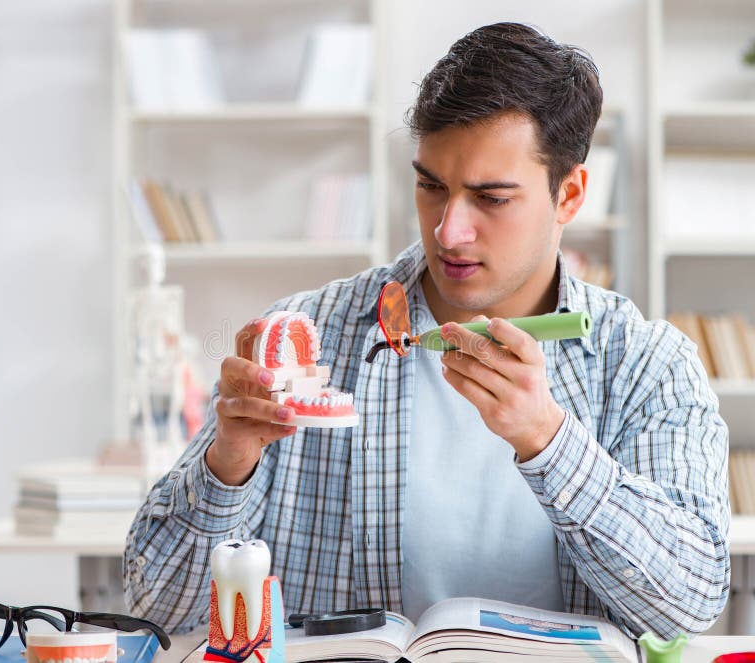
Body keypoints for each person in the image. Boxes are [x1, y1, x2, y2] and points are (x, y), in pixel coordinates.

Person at [123, 23, 729, 639]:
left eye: (491, 198)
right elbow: (158, 607)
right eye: (431, 186)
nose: (448, 231)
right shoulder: (309, 339)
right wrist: (229, 467)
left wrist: (549, 442)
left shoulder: (646, 362)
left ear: (569, 194)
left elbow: (687, 604)